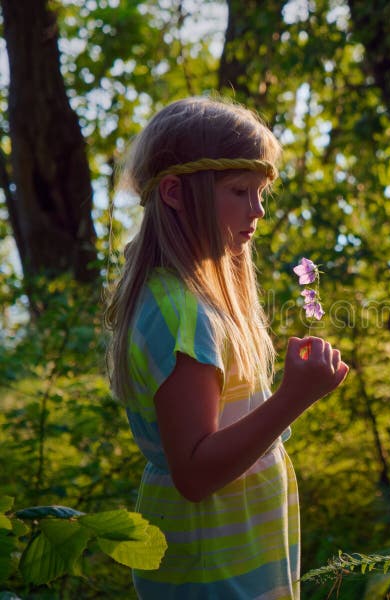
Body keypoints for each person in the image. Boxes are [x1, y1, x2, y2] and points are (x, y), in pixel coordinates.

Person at [105, 96, 348, 599]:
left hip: (232, 560)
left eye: (261, 193)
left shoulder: (192, 302)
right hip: (210, 573)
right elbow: (194, 473)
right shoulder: (181, 316)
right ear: (174, 192)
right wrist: (293, 397)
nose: (258, 210)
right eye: (240, 191)